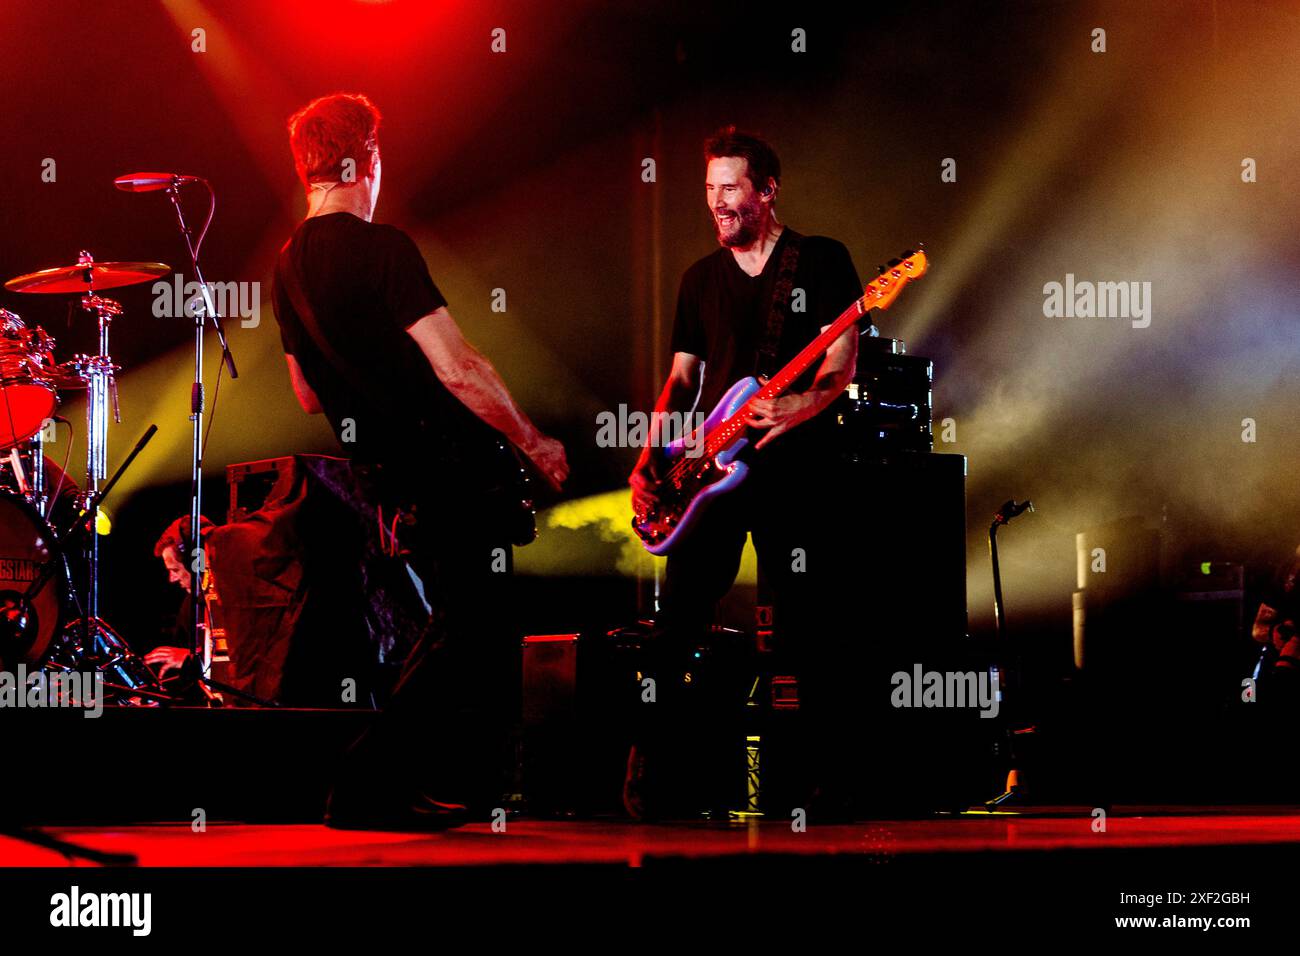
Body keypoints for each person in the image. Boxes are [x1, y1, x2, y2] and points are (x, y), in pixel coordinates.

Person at [270, 92, 568, 830]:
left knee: (465, 626)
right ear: (364, 159)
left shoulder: (286, 268)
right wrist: (535, 441)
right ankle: (366, 781)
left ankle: (434, 785)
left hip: (385, 479)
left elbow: (307, 393)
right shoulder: (384, 249)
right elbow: (459, 367)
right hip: (446, 468)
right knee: (473, 629)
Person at [627, 126, 864, 819]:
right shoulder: (699, 279)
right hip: (710, 472)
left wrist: (803, 403)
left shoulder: (821, 261)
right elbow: (682, 383)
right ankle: (662, 779)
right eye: (710, 190)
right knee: (679, 623)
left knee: (804, 627)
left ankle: (810, 785)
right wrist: (651, 457)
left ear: (767, 189)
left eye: (731, 188)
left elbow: (841, 360)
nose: (718, 203)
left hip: (797, 469)